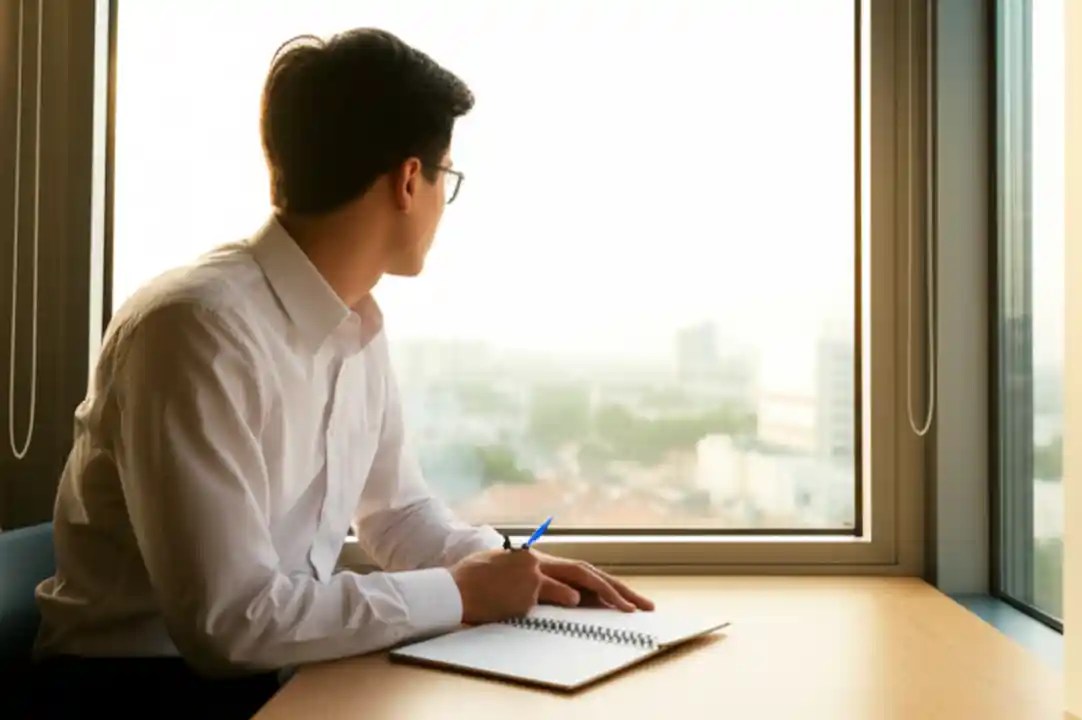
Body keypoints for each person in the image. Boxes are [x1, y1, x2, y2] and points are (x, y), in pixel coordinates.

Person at [31, 28, 653, 718]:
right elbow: (230, 624)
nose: (443, 203)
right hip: (136, 690)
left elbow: (398, 515)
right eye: (447, 178)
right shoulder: (196, 332)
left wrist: (504, 567)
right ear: (409, 180)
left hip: (273, 671)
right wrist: (459, 593)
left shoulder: (356, 325)